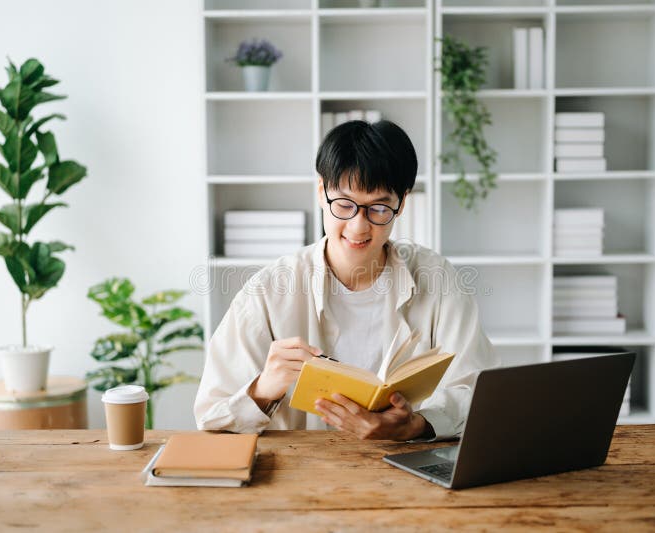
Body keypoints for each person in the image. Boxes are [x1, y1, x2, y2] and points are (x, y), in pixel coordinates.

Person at [194, 120, 499, 441]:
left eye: (379, 208)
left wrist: (417, 424)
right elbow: (211, 417)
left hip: (409, 470)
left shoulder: (438, 280)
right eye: (344, 205)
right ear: (320, 192)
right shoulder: (267, 291)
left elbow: (481, 393)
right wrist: (263, 390)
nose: (358, 227)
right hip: (301, 475)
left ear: (402, 203)